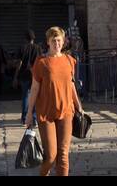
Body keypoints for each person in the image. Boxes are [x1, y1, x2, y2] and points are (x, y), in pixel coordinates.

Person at [25, 26, 85, 177]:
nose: (57, 44)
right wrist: (29, 112)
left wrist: (78, 106)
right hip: (45, 113)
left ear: (63, 42)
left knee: (63, 154)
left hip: (66, 111)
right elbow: (34, 88)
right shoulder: (41, 62)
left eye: (59, 40)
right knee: (51, 156)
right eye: (53, 41)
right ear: (48, 42)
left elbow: (71, 85)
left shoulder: (69, 60)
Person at [13, 30, 40, 123]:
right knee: (35, 96)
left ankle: (24, 118)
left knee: (25, 96)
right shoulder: (38, 48)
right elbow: (39, 62)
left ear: (25, 38)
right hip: (35, 75)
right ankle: (35, 118)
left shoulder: (21, 48)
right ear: (34, 38)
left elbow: (19, 63)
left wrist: (15, 77)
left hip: (24, 75)